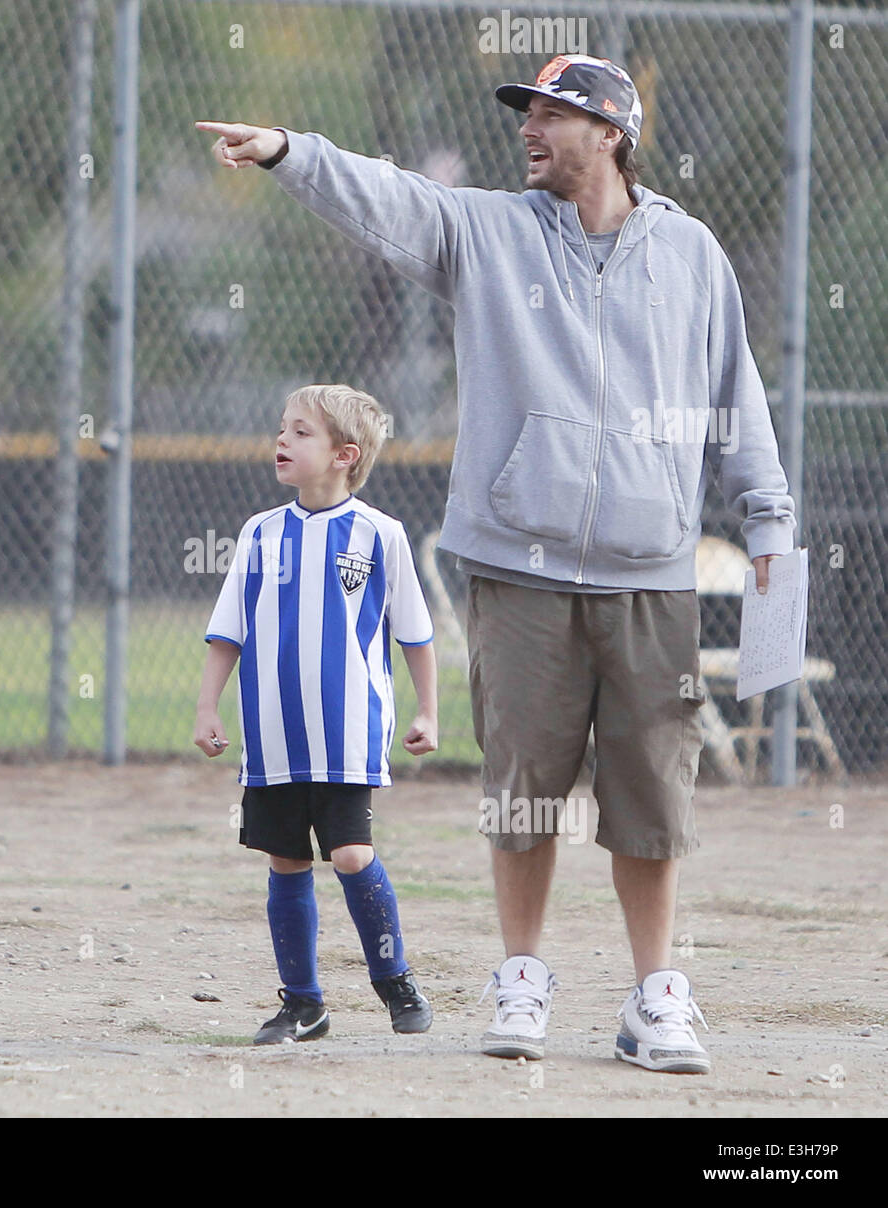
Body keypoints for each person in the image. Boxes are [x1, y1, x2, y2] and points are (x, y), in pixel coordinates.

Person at [197, 53, 796, 1074]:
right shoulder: (488, 233)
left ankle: (656, 995)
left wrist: (770, 519)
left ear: (610, 131)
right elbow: (394, 198)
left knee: (650, 797)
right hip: (518, 568)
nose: (528, 128)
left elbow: (733, 398)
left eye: (552, 114)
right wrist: (294, 154)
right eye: (523, 111)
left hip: (649, 572)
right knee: (521, 790)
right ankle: (521, 977)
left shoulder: (692, 254)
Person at [194, 383, 439, 1044]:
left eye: (300, 432)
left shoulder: (380, 534)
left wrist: (430, 713)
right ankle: (304, 1003)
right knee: (285, 861)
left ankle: (395, 981)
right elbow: (229, 631)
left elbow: (414, 633)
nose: (282, 439)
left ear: (344, 454)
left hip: (348, 735)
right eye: (282, 428)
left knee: (353, 854)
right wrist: (207, 706)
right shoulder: (259, 534)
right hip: (273, 738)